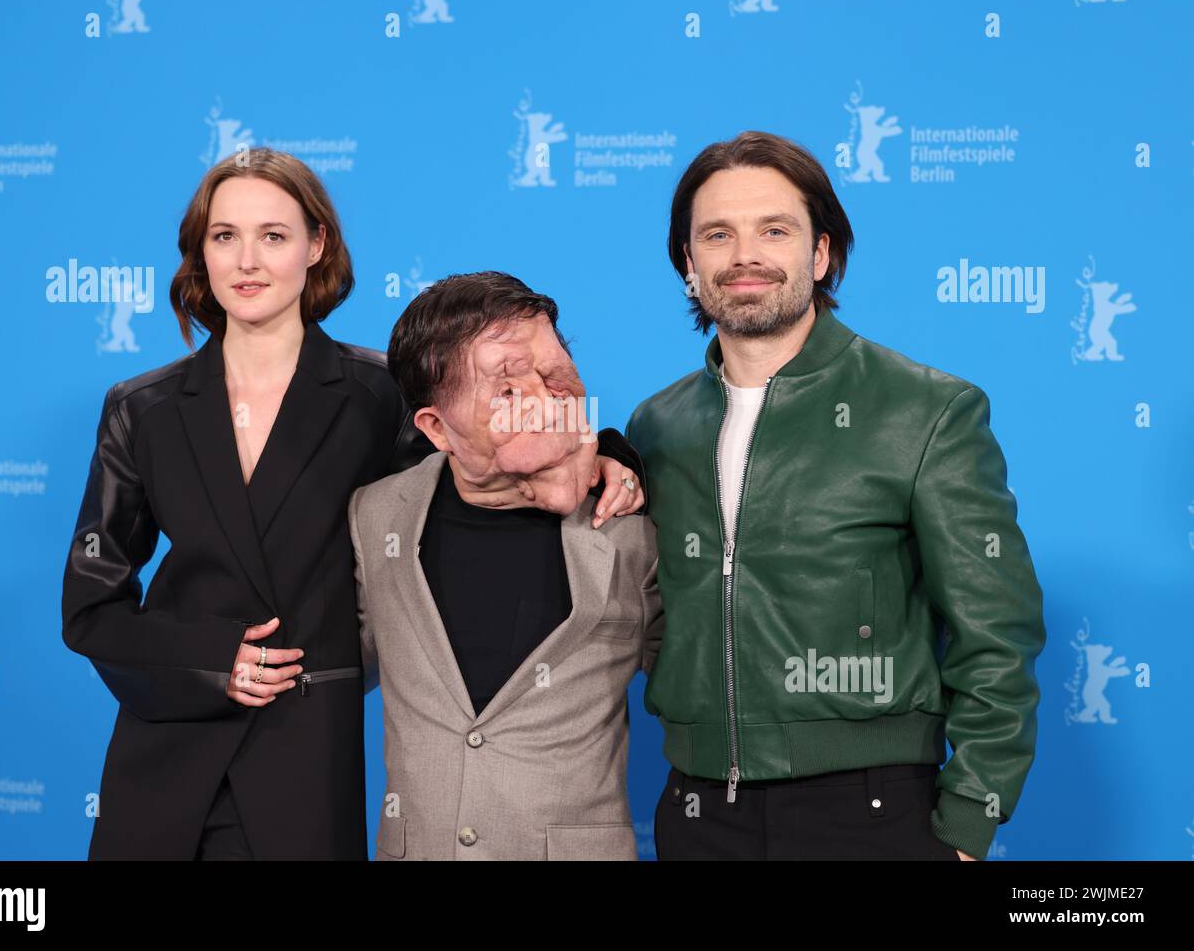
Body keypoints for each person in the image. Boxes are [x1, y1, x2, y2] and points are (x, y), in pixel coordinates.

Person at [60, 148, 643, 859]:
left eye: (273, 235)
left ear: (316, 246)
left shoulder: (380, 396)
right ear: (199, 255)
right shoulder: (140, 408)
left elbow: (492, 462)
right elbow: (91, 609)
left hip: (303, 757)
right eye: (224, 236)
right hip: (164, 757)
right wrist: (211, 660)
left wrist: (608, 455)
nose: (247, 259)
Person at [627, 131, 1046, 861]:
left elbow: (997, 635)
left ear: (820, 255)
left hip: (871, 813)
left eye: (775, 230)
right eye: (717, 235)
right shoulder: (655, 426)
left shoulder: (925, 411)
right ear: (687, 265)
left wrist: (968, 831)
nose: (744, 255)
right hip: (696, 812)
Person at [349, 272, 663, 859]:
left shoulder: (632, 526)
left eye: (552, 376)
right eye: (506, 389)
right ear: (435, 427)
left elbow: (703, 682)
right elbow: (336, 664)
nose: (543, 403)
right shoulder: (374, 518)